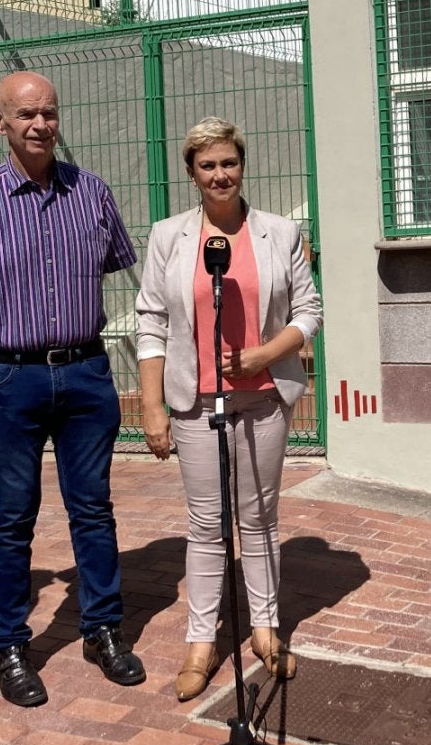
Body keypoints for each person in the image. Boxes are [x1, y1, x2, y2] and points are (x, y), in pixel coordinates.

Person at [0, 70, 144, 707]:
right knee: (12, 516)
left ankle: (103, 629)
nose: (39, 124)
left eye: (48, 112)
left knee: (93, 509)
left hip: (83, 372)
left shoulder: (91, 194)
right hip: (7, 377)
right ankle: (10, 645)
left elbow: (105, 268)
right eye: (25, 115)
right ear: (0, 123)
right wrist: (2, 334)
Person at [135, 117, 321, 701]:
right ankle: (201, 640)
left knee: (260, 516)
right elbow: (152, 322)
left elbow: (309, 311)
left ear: (243, 166)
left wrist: (265, 353)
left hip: (263, 399)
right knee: (206, 523)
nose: (220, 175)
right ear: (191, 173)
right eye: (207, 165)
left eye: (229, 163)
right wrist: (151, 406)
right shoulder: (168, 236)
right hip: (195, 403)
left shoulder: (280, 233)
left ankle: (265, 629)